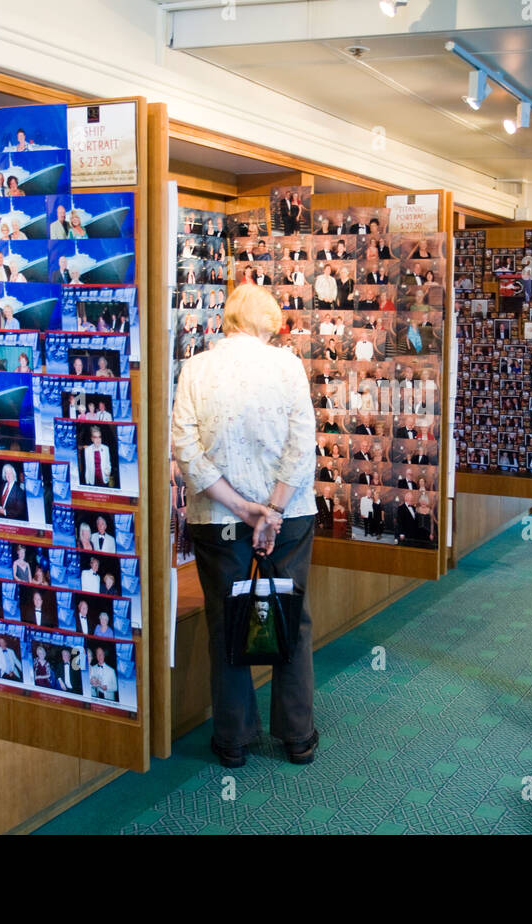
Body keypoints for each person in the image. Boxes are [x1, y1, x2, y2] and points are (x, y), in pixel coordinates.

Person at [172, 285, 319, 767]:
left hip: (219, 520)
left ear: (228, 318)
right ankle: (297, 737)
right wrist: (272, 509)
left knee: (225, 619)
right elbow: (302, 444)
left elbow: (186, 451)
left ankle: (233, 741)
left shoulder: (196, 368)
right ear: (268, 322)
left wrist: (241, 508)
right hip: (290, 516)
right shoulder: (287, 366)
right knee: (291, 617)